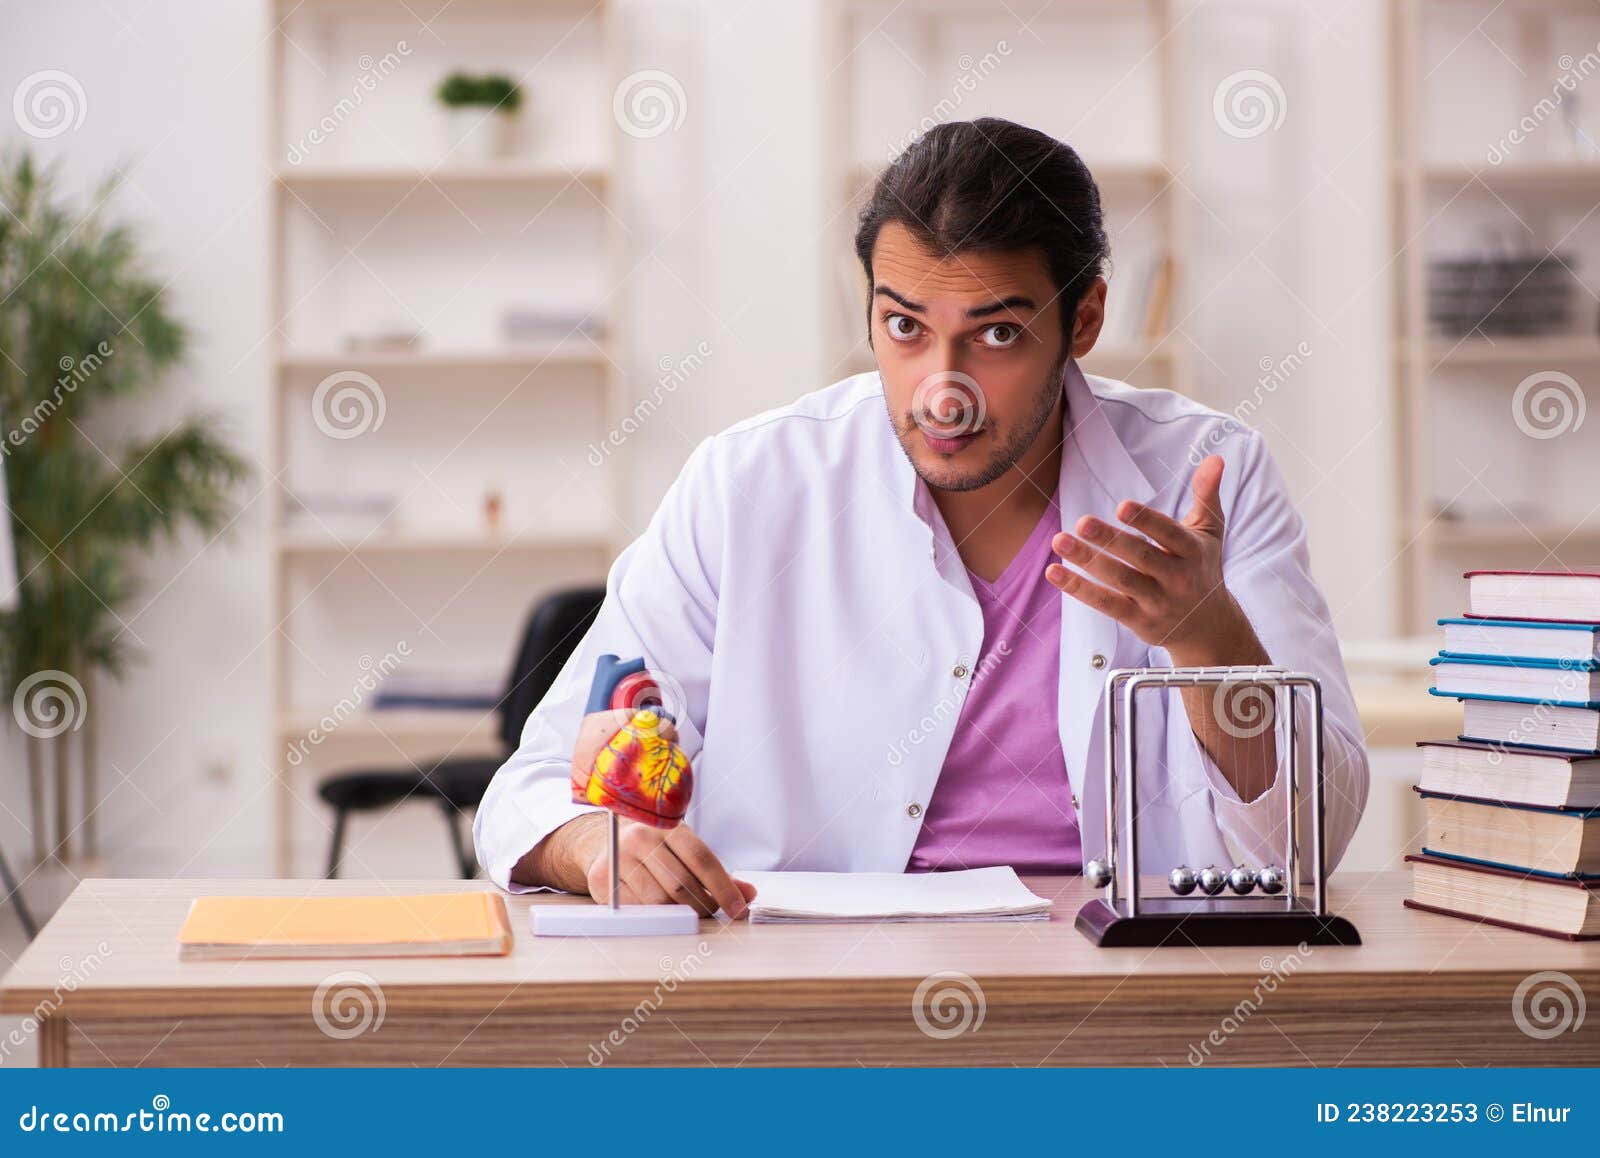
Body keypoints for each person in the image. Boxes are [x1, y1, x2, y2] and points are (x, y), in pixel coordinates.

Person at [474, 117, 1368, 918]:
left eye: (998, 334)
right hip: (813, 996)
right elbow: (536, 786)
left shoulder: (1205, 480)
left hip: (1125, 992)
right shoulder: (750, 484)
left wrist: (1208, 638)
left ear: (1085, 317)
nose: (943, 388)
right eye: (905, 328)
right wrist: (595, 846)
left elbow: (1306, 845)